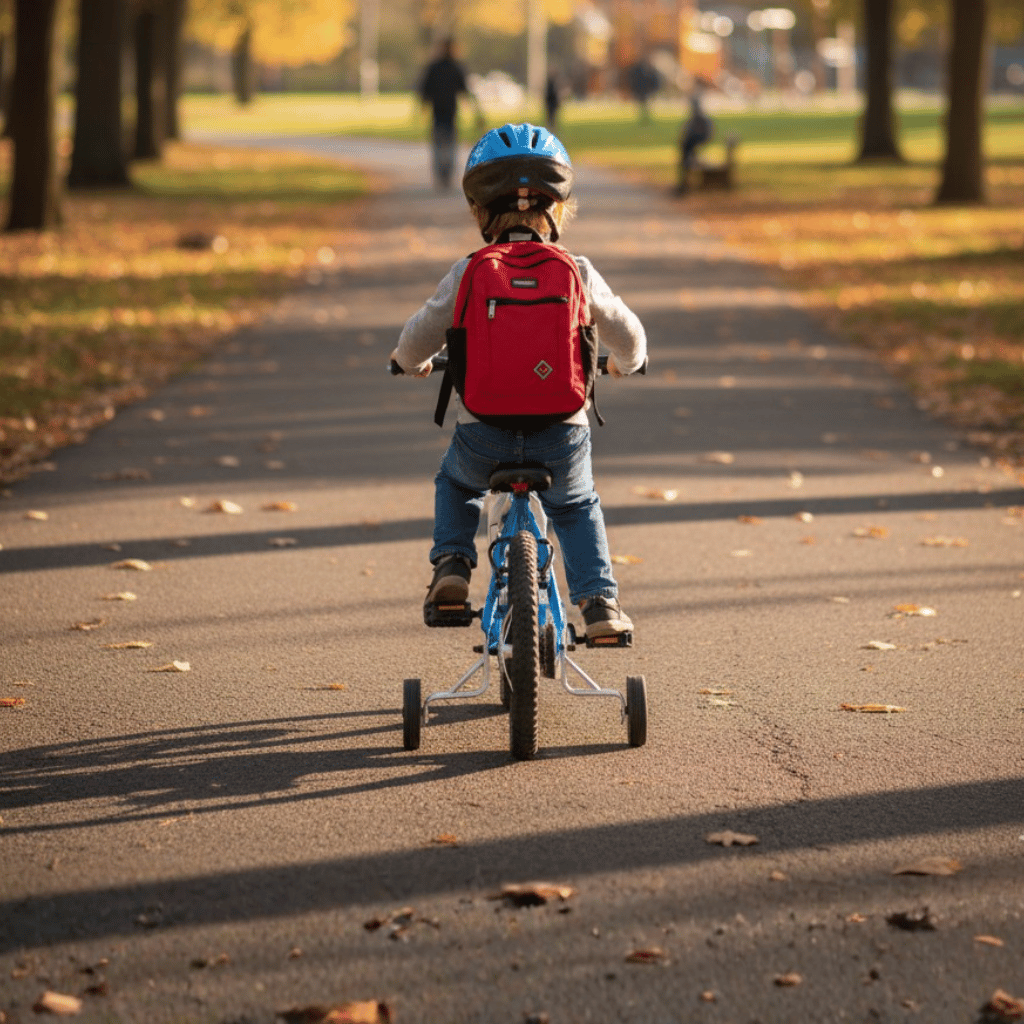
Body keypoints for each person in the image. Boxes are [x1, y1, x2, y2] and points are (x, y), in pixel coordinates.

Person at [390, 124, 647, 641]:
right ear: (557, 211)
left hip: (484, 430)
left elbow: (423, 329)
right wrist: (628, 361)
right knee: (577, 506)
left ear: (481, 214)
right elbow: (627, 329)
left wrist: (407, 360)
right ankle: (599, 604)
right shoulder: (577, 269)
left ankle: (453, 568)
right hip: (561, 432)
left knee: (458, 485)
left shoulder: (469, 272)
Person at [418, 37, 475, 191]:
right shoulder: (455, 67)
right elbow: (465, 91)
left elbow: (424, 90)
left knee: (440, 145)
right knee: (449, 145)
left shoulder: (434, 67)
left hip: (440, 113)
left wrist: (421, 106)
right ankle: (446, 175)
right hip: (449, 112)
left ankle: (442, 175)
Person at [676, 83, 713, 194]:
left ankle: (683, 185)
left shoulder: (699, 120)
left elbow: (700, 135)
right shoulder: (698, 119)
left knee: (685, 154)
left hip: (692, 144)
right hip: (691, 145)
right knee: (685, 153)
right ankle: (683, 184)